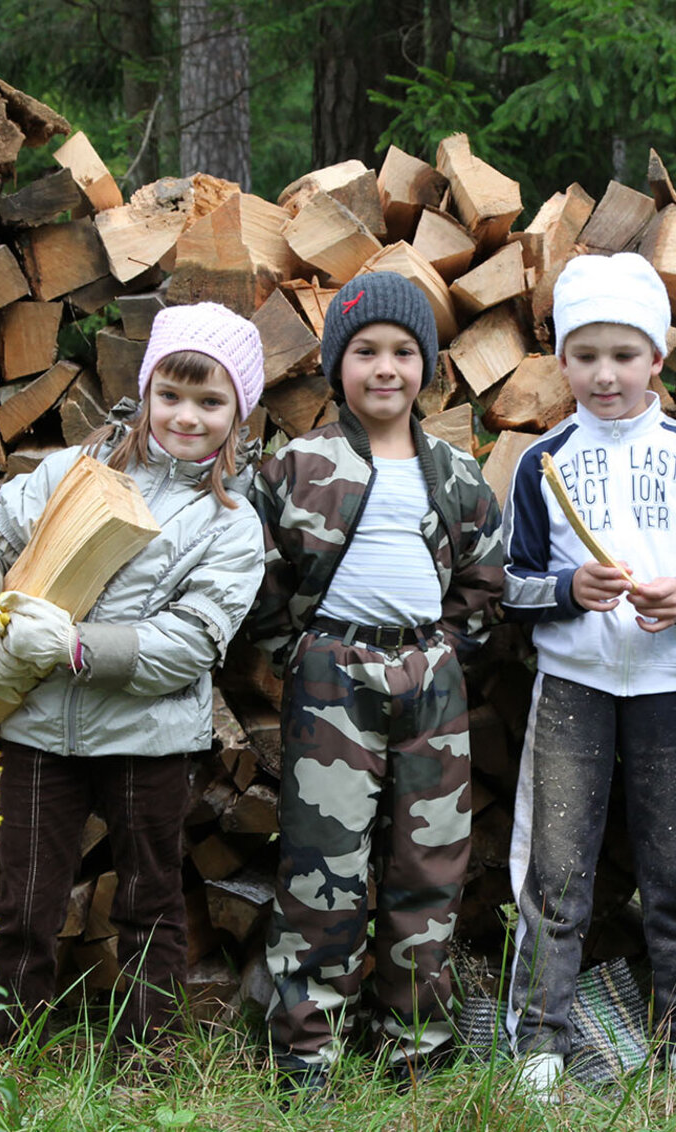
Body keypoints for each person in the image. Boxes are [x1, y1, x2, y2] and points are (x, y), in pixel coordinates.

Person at [0, 303, 268, 1049]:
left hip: (146, 741)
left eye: (210, 400)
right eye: (171, 394)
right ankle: (4, 1054)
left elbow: (189, 642)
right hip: (36, 732)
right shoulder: (71, 472)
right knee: (25, 901)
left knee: (150, 901)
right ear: (146, 390)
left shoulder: (230, 525)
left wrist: (72, 645)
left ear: (239, 412)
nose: (186, 416)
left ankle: (146, 1059)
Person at [246, 271, 505, 1099]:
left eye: (403, 352)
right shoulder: (299, 464)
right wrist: (300, 653)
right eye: (365, 352)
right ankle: (307, 1050)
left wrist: (449, 650)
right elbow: (259, 574)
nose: (385, 368)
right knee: (325, 865)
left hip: (431, 678)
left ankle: (415, 1042)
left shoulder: (456, 471)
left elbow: (484, 576)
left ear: (428, 366)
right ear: (336, 366)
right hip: (333, 678)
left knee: (428, 864)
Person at [501, 253, 676, 1100]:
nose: (605, 374)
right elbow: (515, 584)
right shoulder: (541, 461)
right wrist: (569, 590)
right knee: (557, 872)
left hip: (670, 688)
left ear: (656, 362)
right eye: (586, 354)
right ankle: (540, 1043)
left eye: (624, 355)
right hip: (573, 688)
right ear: (560, 362)